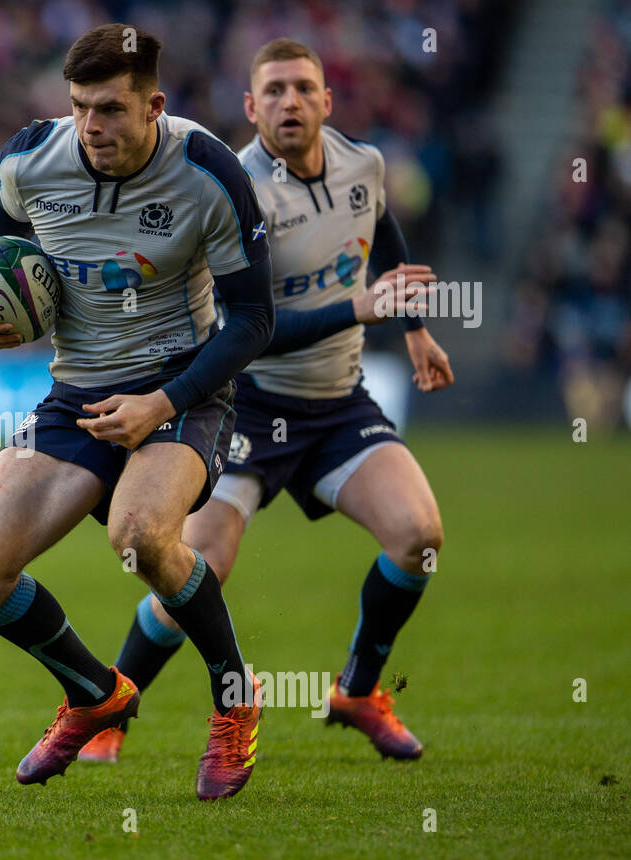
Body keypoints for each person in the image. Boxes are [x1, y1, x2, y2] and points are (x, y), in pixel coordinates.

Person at [82, 38, 451, 765]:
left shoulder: (365, 166)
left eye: (302, 88)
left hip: (340, 405)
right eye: (273, 91)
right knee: (197, 563)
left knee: (420, 537)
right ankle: (111, 712)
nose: (289, 102)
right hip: (245, 410)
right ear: (250, 108)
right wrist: (361, 309)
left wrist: (413, 328)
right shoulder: (236, 190)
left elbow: (382, 231)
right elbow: (247, 333)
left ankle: (357, 690)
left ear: (326, 100)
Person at [0, 24, 275, 800]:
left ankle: (234, 699)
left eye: (112, 110)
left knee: (140, 536)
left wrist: (163, 400)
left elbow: (253, 320)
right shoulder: (33, 155)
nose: (92, 127)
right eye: (81, 107)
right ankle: (98, 693)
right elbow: (0, 224)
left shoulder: (208, 171)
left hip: (180, 388)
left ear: (153, 105)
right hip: (75, 395)